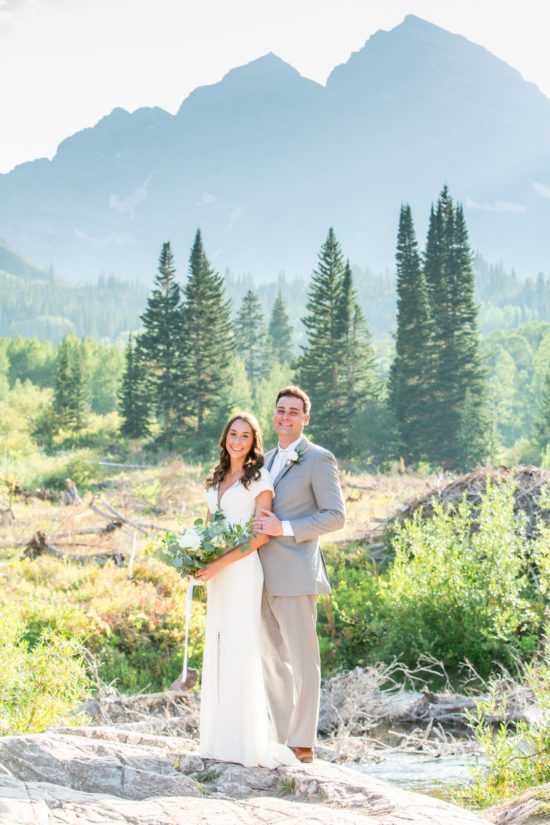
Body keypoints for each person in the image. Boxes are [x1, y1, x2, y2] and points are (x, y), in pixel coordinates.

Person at [193, 412, 298, 768]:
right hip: (217, 573)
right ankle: (216, 739)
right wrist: (196, 557)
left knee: (241, 648)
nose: (237, 441)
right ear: (225, 438)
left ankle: (244, 743)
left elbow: (261, 534)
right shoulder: (216, 477)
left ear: (254, 442)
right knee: (218, 648)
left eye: (245, 436)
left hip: (240, 571)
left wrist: (220, 563)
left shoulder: (260, 479)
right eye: (232, 434)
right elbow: (208, 524)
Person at [252, 386, 345, 764]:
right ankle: (282, 738)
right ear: (273, 416)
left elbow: (335, 516)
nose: (285, 417)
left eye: (294, 412)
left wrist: (284, 528)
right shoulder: (265, 460)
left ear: (306, 418)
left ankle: (303, 743)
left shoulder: (318, 459)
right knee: (272, 659)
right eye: (280, 411)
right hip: (258, 575)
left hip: (295, 573)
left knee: (304, 661)